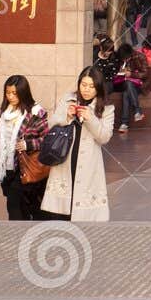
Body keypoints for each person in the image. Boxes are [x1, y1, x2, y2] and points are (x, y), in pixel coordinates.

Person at [42, 66, 115, 222]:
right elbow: (50, 124)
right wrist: (66, 116)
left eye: (91, 86)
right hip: (65, 157)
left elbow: (104, 137)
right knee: (62, 208)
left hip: (88, 163)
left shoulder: (106, 108)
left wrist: (90, 118)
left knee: (84, 211)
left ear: (98, 87)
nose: (86, 89)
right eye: (83, 85)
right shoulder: (68, 99)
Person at [0, 75, 50, 221]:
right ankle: (27, 230)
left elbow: (47, 140)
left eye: (14, 93)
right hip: (7, 168)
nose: (10, 96)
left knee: (14, 205)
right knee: (21, 206)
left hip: (26, 166)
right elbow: (1, 142)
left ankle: (18, 232)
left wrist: (28, 144)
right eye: (8, 92)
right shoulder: (5, 112)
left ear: (23, 93)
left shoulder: (36, 112)